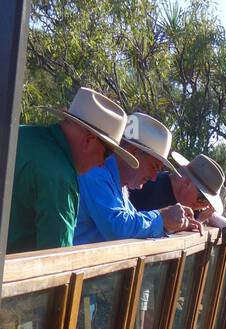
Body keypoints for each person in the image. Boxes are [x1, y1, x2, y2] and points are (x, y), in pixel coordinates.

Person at [6, 86, 139, 255]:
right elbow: (56, 262)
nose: (102, 164)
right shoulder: (61, 178)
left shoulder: (19, 133)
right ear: (89, 141)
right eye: (106, 154)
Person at [74, 112, 199, 244]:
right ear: (133, 152)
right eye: (154, 167)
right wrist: (163, 219)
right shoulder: (97, 174)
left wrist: (172, 224)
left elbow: (131, 221)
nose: (154, 177)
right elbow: (117, 228)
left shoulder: (119, 185)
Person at [130, 150, 226, 242]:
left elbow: (210, 215)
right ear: (187, 183)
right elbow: (133, 230)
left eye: (208, 203)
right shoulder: (145, 188)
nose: (205, 207)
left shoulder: (187, 200)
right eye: (203, 199)